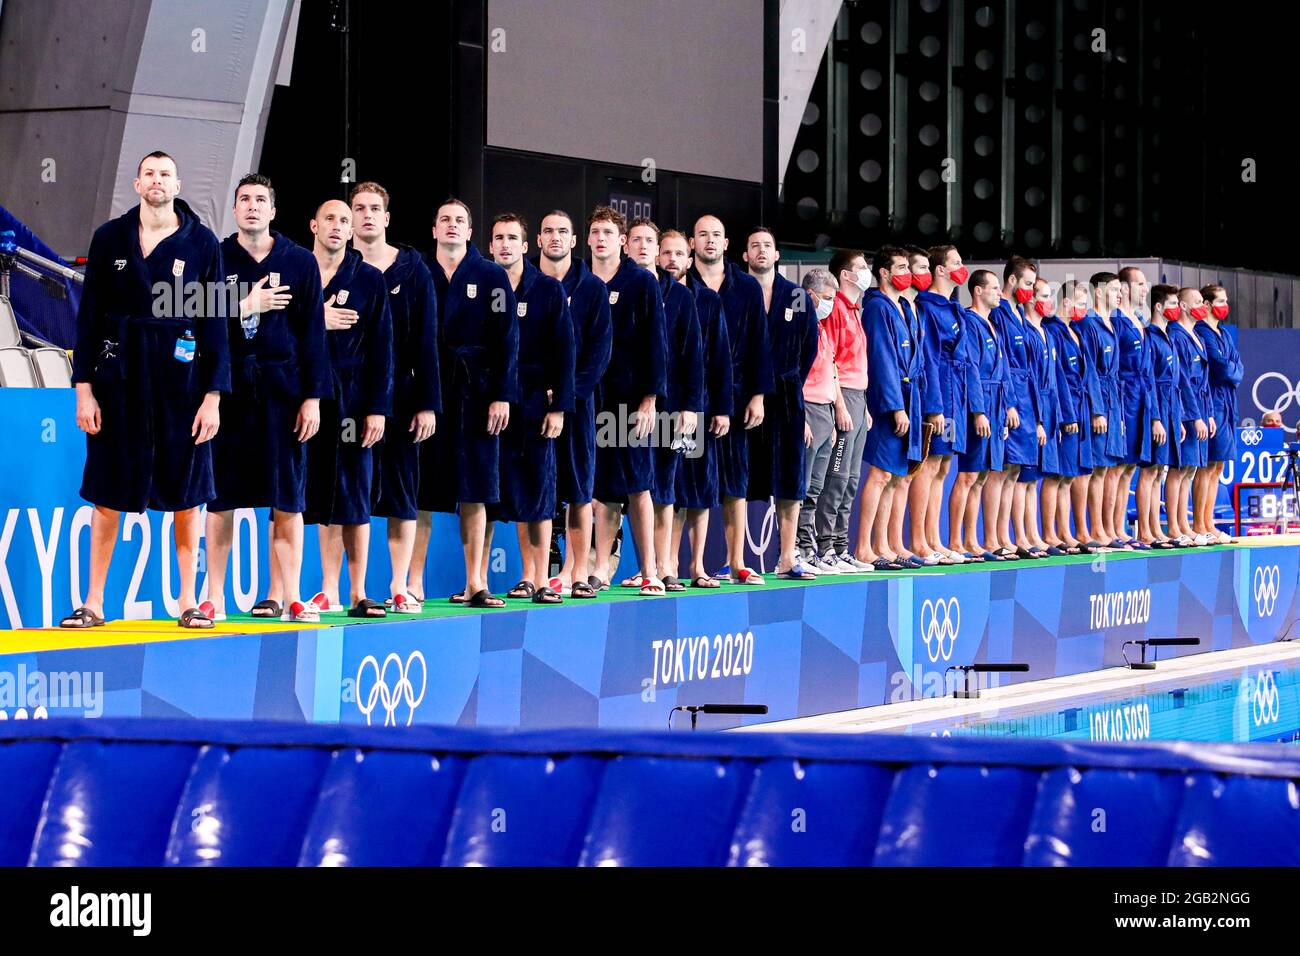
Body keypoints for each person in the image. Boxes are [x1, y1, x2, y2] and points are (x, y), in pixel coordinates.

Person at [63, 150, 230, 630]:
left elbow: (215, 321)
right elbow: (89, 316)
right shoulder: (108, 238)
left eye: (166, 174)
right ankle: (94, 602)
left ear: (178, 186)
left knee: (186, 497)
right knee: (108, 494)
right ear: (137, 184)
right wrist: (84, 388)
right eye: (149, 173)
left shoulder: (202, 244)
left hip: (182, 385)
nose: (157, 181)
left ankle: (187, 601)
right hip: (118, 380)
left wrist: (214, 395)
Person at [203, 174, 328, 626]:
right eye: (244, 200)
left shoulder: (299, 261)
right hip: (232, 390)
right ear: (234, 209)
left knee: (288, 498)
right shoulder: (215, 256)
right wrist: (245, 305)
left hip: (284, 391)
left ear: (273, 210)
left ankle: (292, 595)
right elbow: (198, 321)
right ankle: (213, 597)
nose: (252, 206)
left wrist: (313, 397)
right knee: (221, 499)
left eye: (260, 200)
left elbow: (314, 332)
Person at [411, 198, 519, 608]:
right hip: (429, 391)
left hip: (478, 394)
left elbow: (508, 339)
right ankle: (412, 582)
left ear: (471, 233)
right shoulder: (419, 271)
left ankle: (476, 581)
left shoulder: (491, 276)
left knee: (475, 488)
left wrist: (502, 396)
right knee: (418, 490)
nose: (452, 226)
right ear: (434, 230)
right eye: (445, 220)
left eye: (460, 221)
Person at [350, 182, 440, 612]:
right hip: (349, 395)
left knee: (402, 495)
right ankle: (342, 588)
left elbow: (427, 341)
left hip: (403, 397)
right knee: (349, 495)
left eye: (375, 209)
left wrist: (427, 402)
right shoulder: (337, 266)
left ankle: (399, 584)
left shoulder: (414, 270)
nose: (367, 215)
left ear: (387, 218)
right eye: (359, 208)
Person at [303, 199, 393, 618]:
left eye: (345, 220)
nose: (338, 226)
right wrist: (314, 317)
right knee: (318, 493)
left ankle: (358, 591)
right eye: (330, 220)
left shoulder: (370, 279)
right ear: (313, 226)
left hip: (355, 400)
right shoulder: (298, 273)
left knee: (354, 494)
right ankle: (326, 589)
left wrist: (377, 407)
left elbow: (383, 347)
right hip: (306, 397)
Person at [490, 213, 575, 604]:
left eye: (513, 238)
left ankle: (539, 578)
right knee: (501, 493)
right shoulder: (485, 287)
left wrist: (559, 408)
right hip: (495, 405)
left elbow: (565, 354)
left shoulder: (548, 290)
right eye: (499, 238)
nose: (505, 244)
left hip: (538, 405)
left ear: (527, 246)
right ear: (490, 246)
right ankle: (520, 576)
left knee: (539, 495)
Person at [588, 206, 668, 595]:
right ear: (587, 240)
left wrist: (649, 399)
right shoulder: (580, 281)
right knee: (602, 488)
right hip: (591, 397)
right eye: (595, 232)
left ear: (622, 241)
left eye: (608, 232)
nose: (601, 238)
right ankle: (601, 567)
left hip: (630, 400)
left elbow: (656, 343)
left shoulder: (641, 282)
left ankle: (650, 569)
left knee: (638, 485)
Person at [690, 215, 773, 583]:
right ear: (693, 243)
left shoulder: (746, 287)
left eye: (716, 236)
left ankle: (736, 561)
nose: (709, 241)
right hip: (689, 398)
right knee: (687, 484)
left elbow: (760, 344)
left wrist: (758, 395)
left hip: (737, 398)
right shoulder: (680, 284)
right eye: (703, 235)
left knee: (734, 482)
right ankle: (687, 566)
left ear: (726, 244)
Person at [538, 210, 611, 600]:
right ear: (538, 240)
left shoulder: (592, 288)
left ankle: (578, 572)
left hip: (578, 405)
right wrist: (538, 392)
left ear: (573, 240)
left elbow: (599, 352)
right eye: (548, 231)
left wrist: (566, 396)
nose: (555, 237)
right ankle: (534, 576)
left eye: (563, 231)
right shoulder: (527, 284)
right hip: (534, 404)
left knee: (580, 490)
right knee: (534, 491)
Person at [626, 217, 701, 591]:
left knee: (667, 486)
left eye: (650, 242)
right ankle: (642, 567)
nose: (644, 248)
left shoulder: (683, 296)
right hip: (626, 407)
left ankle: (667, 565)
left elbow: (693, 356)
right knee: (633, 484)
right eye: (635, 240)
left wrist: (692, 406)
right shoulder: (619, 287)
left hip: (675, 408)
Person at [852, 246, 935, 570]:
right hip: (889, 401)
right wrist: (895, 407)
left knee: (894, 474)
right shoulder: (877, 308)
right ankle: (863, 546)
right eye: (901, 267)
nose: (908, 274)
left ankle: (884, 543)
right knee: (879, 473)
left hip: (908, 399)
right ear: (884, 272)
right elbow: (882, 360)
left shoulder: (903, 307)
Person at [744, 227, 819, 579]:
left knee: (790, 478)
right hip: (742, 397)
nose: (761, 250)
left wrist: (794, 386)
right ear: (744, 255)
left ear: (777, 255)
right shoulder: (736, 292)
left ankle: (788, 556)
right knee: (740, 478)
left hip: (786, 397)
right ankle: (737, 561)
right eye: (754, 245)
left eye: (768, 246)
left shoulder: (797, 295)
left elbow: (809, 347)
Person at [661, 230, 732, 588]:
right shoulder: (652, 295)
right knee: (668, 489)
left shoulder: (707, 300)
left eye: (678, 254)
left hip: (697, 409)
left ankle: (698, 565)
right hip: (662, 409)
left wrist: (721, 408)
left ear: (689, 259)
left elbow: (720, 358)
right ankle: (667, 562)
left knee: (699, 489)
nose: (673, 259)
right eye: (666, 253)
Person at [912, 244, 976, 565]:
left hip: (956, 394)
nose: (961, 267)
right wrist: (934, 405)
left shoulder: (954, 307)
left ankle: (934, 538)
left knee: (945, 466)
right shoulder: (926, 306)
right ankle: (920, 540)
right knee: (929, 464)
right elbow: (930, 360)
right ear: (940, 269)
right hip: (939, 394)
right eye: (956, 262)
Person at [952, 270, 1017, 560]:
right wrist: (978, 411)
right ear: (977, 291)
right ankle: (955, 540)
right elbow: (972, 370)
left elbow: (1002, 373)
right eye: (993, 288)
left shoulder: (993, 326)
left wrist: (1004, 410)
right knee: (968, 475)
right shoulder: (970, 322)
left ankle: (972, 538)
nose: (999, 292)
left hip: (995, 406)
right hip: (980, 407)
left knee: (981, 477)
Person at [813, 249, 871, 573]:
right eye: (861, 267)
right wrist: (839, 403)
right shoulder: (834, 308)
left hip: (859, 398)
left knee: (850, 478)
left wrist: (866, 407)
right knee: (835, 476)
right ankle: (824, 548)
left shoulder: (854, 310)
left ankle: (840, 545)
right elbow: (829, 360)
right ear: (845, 275)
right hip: (843, 397)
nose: (867, 272)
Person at [1042, 279, 1095, 554]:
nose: (1084, 308)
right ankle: (1051, 533)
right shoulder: (1053, 330)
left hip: (1080, 407)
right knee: (1056, 475)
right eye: (1081, 303)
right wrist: (1066, 414)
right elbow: (1058, 377)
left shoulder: (1075, 332)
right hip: (1066, 410)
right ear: (1065, 303)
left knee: (1069, 476)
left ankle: (1066, 531)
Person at [991, 257, 1039, 559]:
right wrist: (1009, 402)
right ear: (1011, 281)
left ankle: (1007, 534)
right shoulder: (999, 314)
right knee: (1001, 471)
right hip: (1011, 398)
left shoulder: (1020, 313)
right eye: (1027, 284)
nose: (1031, 292)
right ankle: (995, 537)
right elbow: (1002, 361)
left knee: (1015, 473)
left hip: (1026, 398)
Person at [795, 267, 840, 571]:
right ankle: (796, 549)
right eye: (826, 298)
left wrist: (835, 417)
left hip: (825, 412)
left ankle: (808, 549)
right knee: (802, 487)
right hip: (808, 410)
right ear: (809, 295)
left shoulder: (821, 327)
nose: (831, 304)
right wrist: (801, 418)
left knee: (815, 488)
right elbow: (794, 377)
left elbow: (830, 373)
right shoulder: (800, 327)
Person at [1079, 272, 1128, 549]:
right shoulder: (1089, 324)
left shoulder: (1113, 324)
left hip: (1114, 400)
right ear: (1098, 293)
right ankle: (1095, 528)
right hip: (1099, 402)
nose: (1119, 294)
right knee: (1097, 469)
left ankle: (1109, 527)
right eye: (1113, 290)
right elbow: (1090, 373)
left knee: (1112, 469)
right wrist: (1097, 410)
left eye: (1121, 290)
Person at [1014, 277, 1062, 557]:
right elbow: (1028, 381)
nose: (1049, 301)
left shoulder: (1047, 333)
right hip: (1032, 411)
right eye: (1044, 295)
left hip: (1046, 409)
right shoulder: (1027, 333)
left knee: (1034, 480)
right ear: (1031, 298)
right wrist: (1038, 421)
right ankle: (1021, 535)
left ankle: (1034, 533)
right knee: (1023, 478)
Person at [1113, 266, 1159, 549]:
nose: (1145, 289)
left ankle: (1122, 529)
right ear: (1125, 288)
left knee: (1130, 468)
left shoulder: (1139, 320)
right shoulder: (1117, 321)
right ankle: (1115, 529)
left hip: (1140, 397)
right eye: (1140, 284)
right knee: (1119, 468)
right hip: (1125, 397)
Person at [1194, 283, 1243, 544]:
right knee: (1208, 465)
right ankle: (1200, 523)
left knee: (1219, 466)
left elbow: (1238, 366)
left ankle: (1209, 521)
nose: (1226, 305)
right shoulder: (1203, 331)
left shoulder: (1223, 333)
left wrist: (1232, 371)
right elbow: (1223, 369)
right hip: (1212, 402)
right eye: (1221, 300)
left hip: (1227, 403)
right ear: (1208, 304)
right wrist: (1232, 371)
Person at [1142, 284, 1186, 547]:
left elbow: (1175, 383)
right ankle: (1145, 530)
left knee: (1160, 470)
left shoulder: (1169, 337)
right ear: (1158, 307)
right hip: (1157, 408)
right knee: (1149, 471)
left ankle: (1157, 527)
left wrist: (1177, 417)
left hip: (1171, 408)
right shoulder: (1150, 336)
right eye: (1172, 304)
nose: (1176, 310)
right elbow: (1148, 381)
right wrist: (1156, 418)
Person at [1169, 287, 1212, 545]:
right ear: (1183, 306)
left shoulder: (1196, 336)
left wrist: (1208, 415)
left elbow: (1202, 382)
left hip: (1200, 407)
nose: (1202, 307)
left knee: (1190, 470)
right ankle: (1174, 526)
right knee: (1179, 468)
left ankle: (1184, 523)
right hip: (1186, 409)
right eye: (1197, 302)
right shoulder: (1177, 335)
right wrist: (1193, 416)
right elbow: (1183, 380)